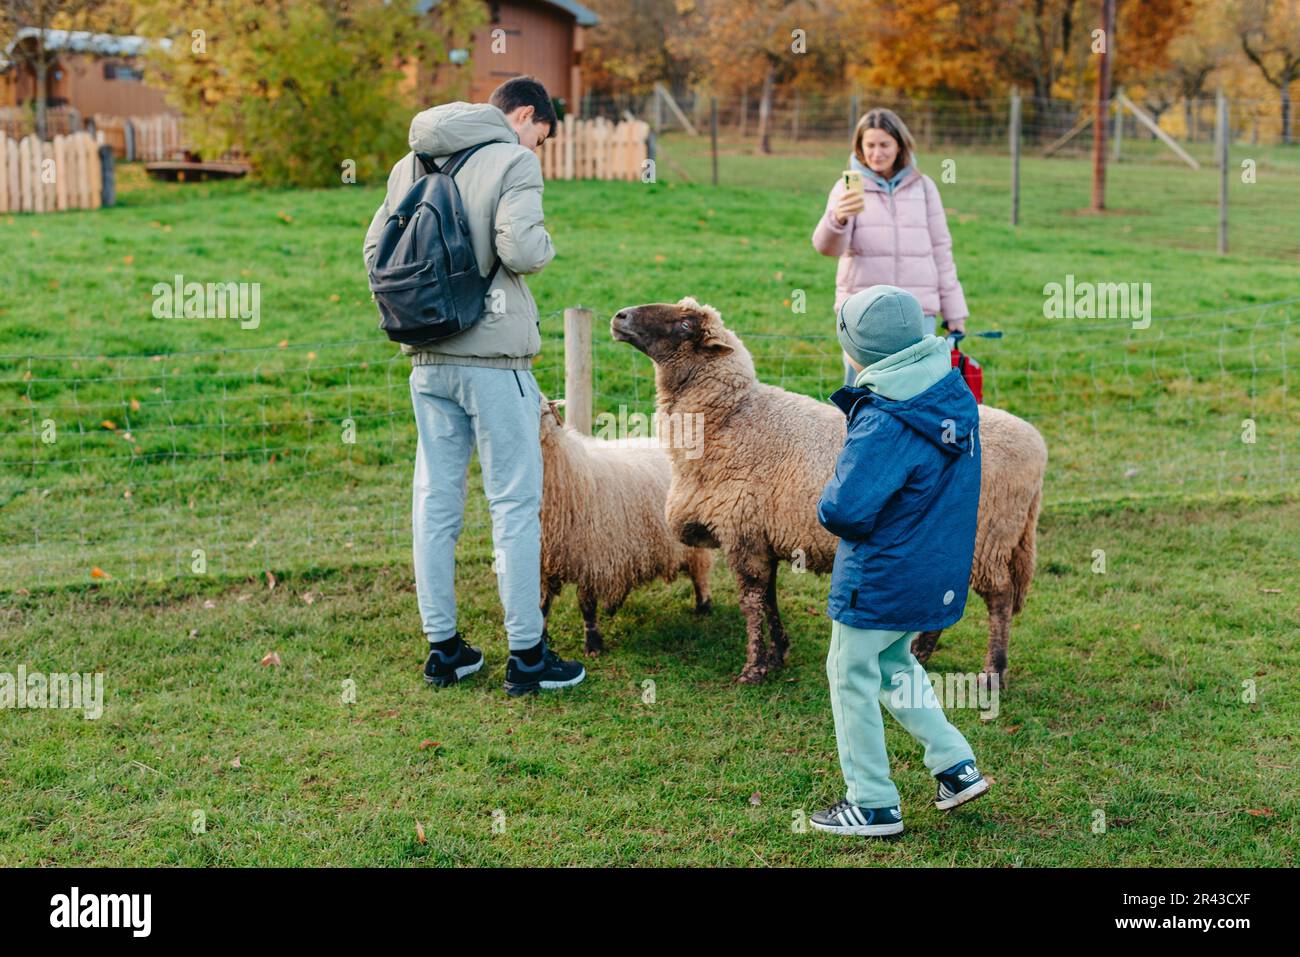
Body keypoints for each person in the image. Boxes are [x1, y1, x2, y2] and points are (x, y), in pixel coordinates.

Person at [362, 76, 585, 697]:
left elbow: (373, 250)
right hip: (492, 361)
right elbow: (523, 250)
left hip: (425, 356)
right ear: (522, 115)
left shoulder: (410, 162)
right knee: (514, 505)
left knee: (434, 501)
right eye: (539, 135)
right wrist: (545, 243)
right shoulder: (512, 161)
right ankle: (528, 657)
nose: (536, 148)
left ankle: (445, 650)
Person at [810, 285, 989, 837]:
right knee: (894, 664)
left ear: (858, 351)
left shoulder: (884, 419)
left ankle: (872, 802)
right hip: (932, 568)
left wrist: (830, 491)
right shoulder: (950, 394)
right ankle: (954, 765)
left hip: (882, 574)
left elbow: (845, 509)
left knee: (849, 673)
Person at [811, 107, 970, 387]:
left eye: (884, 144)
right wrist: (838, 218)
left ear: (900, 145)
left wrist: (954, 311)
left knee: (918, 392)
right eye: (869, 145)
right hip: (864, 314)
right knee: (861, 392)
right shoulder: (847, 188)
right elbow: (827, 248)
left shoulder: (924, 188)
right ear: (859, 148)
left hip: (916, 313)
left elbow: (941, 249)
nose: (876, 153)